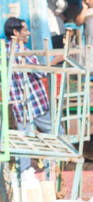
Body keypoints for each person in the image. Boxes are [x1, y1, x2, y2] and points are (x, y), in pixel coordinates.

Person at [5, 18, 58, 172]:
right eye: (25, 30)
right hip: (35, 104)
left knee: (24, 143)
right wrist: (55, 62)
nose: (28, 33)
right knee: (55, 134)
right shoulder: (23, 52)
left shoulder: (4, 51)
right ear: (16, 32)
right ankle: (52, 170)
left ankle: (24, 177)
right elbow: (40, 71)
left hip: (19, 106)